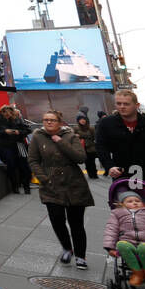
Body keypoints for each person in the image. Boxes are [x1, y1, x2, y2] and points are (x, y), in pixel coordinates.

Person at [27, 110, 95, 268]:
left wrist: (60, 142)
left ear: (59, 122)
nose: (48, 122)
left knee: (76, 222)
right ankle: (66, 248)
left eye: (52, 120)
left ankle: (80, 256)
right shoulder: (37, 137)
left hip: (74, 184)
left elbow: (81, 158)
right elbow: (33, 160)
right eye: (45, 120)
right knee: (57, 219)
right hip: (51, 184)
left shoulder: (70, 136)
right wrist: (43, 178)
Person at [95, 90, 145, 210]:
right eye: (119, 103)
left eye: (126, 104)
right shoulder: (106, 124)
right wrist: (109, 166)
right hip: (122, 178)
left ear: (136, 105)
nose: (122, 107)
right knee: (126, 218)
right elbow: (101, 147)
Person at [0, 105, 32, 194]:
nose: (6, 115)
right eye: (4, 113)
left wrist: (18, 132)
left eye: (8, 113)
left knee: (24, 166)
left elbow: (28, 130)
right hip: (6, 146)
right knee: (11, 165)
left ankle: (26, 186)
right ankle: (15, 187)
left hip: (19, 144)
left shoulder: (18, 119)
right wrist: (4, 132)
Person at [73, 112, 98, 179]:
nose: (82, 121)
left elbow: (94, 137)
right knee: (87, 163)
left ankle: (95, 174)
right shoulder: (76, 128)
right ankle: (90, 174)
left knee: (92, 162)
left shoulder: (91, 128)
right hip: (82, 148)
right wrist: (76, 136)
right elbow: (72, 137)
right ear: (78, 121)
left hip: (91, 147)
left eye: (84, 119)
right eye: (81, 119)